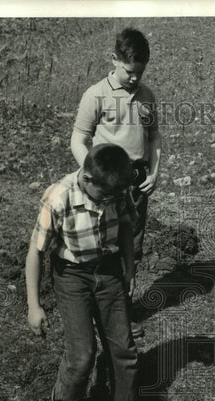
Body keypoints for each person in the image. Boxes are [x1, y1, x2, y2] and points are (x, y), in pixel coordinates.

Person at [26, 143, 139, 401]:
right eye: (104, 196)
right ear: (87, 178)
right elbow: (36, 253)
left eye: (113, 197)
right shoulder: (59, 198)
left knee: (124, 348)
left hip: (110, 269)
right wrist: (34, 306)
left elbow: (126, 225)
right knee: (83, 352)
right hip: (72, 275)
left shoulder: (116, 187)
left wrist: (128, 268)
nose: (107, 202)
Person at [71, 27, 162, 273]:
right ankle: (100, 300)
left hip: (135, 180)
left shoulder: (147, 96)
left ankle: (126, 301)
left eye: (140, 73)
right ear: (114, 60)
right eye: (129, 72)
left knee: (132, 240)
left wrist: (154, 173)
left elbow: (154, 137)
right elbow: (78, 139)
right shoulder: (96, 95)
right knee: (103, 239)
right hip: (106, 180)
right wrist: (93, 173)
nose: (134, 78)